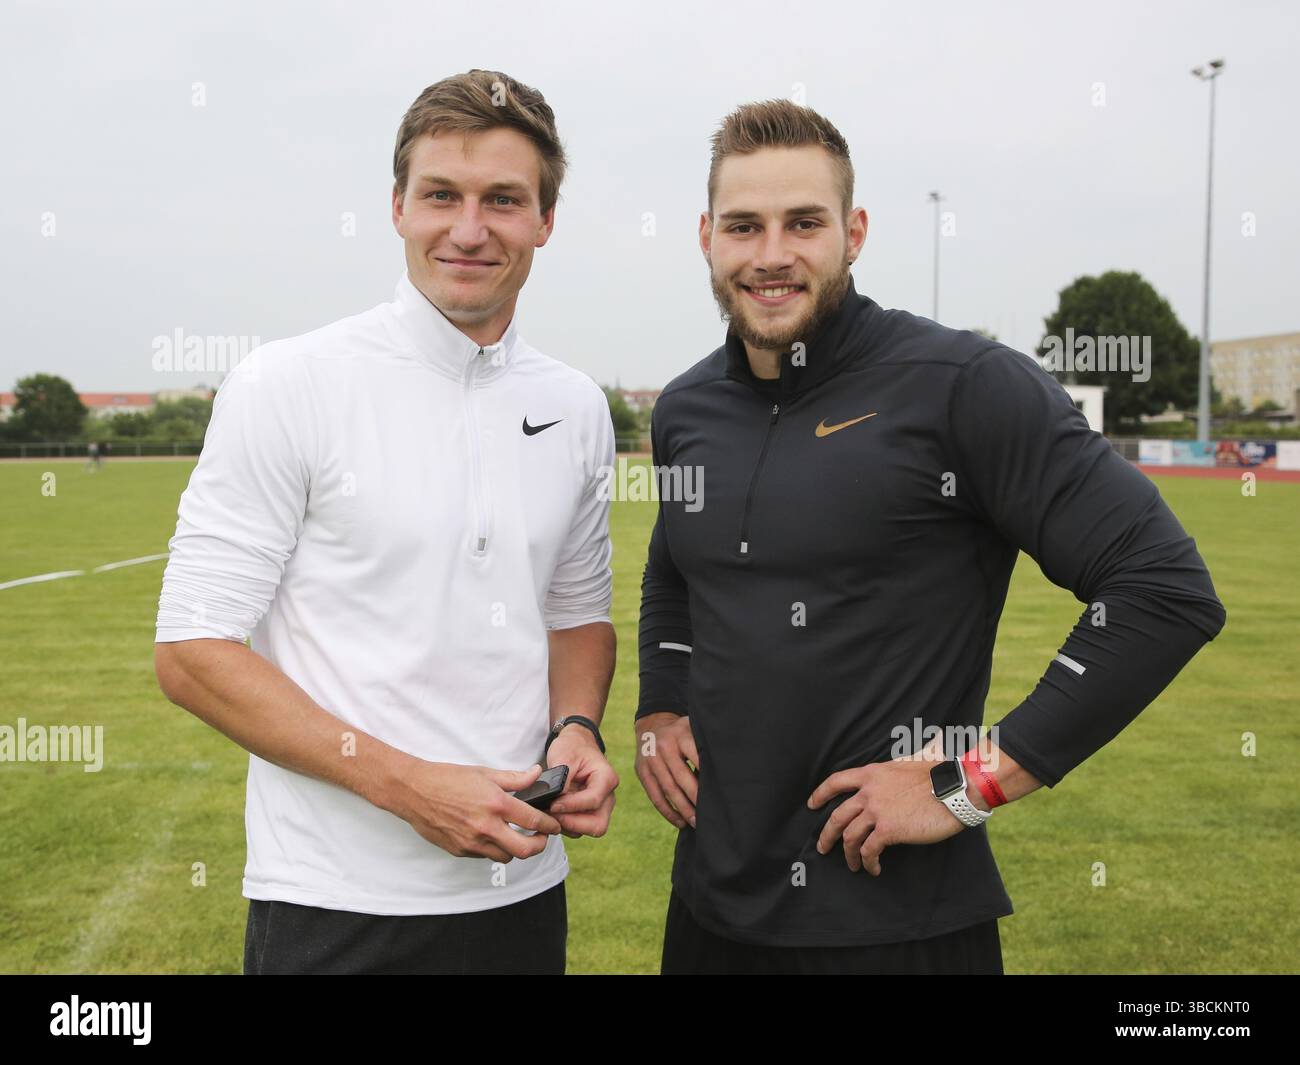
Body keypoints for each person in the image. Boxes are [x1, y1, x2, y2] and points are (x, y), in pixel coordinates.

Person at [634, 99, 1227, 975]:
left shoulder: (965, 385)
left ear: (855, 230)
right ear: (705, 235)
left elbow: (1162, 588)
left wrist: (973, 782)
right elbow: (677, 574)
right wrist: (660, 701)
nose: (771, 254)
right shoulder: (685, 409)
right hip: (710, 915)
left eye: (804, 223)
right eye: (743, 225)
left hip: (897, 925)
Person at [154, 70, 619, 975]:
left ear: (545, 220)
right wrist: (410, 788)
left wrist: (577, 729)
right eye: (441, 194)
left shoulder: (574, 405)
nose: (470, 229)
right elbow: (193, 652)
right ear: (398, 206)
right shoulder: (286, 384)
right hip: (332, 904)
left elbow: (576, 612)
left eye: (504, 200)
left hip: (520, 892)